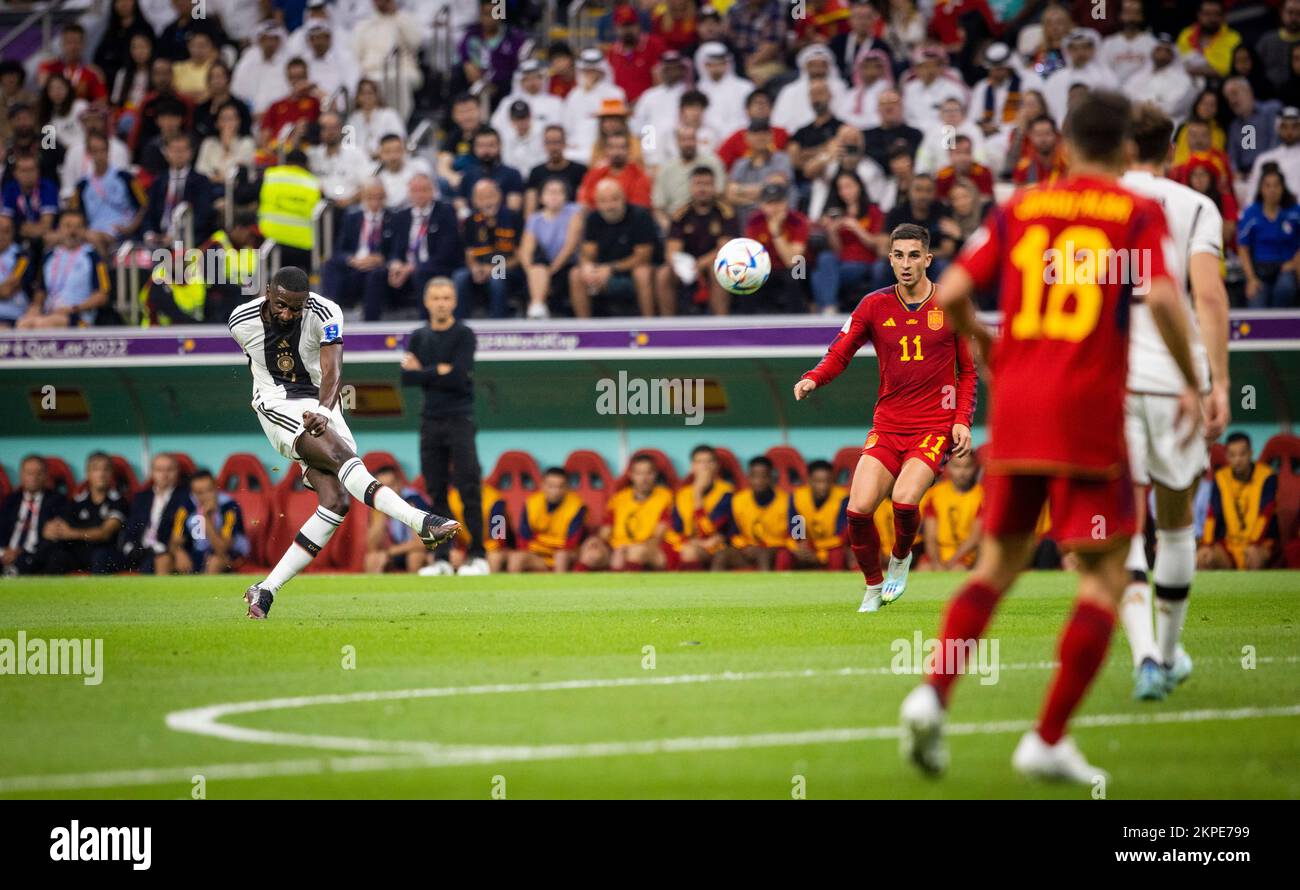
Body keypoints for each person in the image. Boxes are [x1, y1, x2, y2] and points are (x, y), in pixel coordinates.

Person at [898, 90, 1203, 783]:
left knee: (994, 568)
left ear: (1061, 146)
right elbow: (1158, 296)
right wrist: (1193, 382)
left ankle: (931, 694)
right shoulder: (1136, 208)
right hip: (1087, 416)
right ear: (1128, 151)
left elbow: (946, 295)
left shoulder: (1020, 208)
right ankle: (1048, 737)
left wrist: (983, 342)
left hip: (1017, 411)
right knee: (1101, 577)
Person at [230, 267, 462, 618]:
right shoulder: (240, 321)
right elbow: (259, 364)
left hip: (323, 402)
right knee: (341, 457)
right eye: (281, 306)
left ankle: (264, 590)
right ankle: (420, 522)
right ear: (266, 293)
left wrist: (324, 410)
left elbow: (333, 369)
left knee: (336, 501)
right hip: (276, 403)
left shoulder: (326, 312)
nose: (288, 314)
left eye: (296, 307)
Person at [795, 222, 976, 611]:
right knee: (857, 510)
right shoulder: (873, 305)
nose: (906, 264)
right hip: (888, 426)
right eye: (898, 256)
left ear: (928, 259)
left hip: (932, 426)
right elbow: (840, 352)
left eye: (914, 256)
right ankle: (873, 587)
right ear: (889, 259)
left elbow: (969, 371)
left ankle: (900, 557)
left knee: (905, 500)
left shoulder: (952, 303)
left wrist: (962, 419)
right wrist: (813, 377)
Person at [1119, 103, 1231, 701]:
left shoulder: (1094, 203)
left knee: (1117, 524)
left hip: (1110, 383)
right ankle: (1166, 652)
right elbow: (1209, 298)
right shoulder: (1195, 206)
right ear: (1172, 148)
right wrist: (1216, 380)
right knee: (1176, 516)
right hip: (1174, 382)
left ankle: (1143, 656)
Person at [399, 278, 490, 576]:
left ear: (454, 301)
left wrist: (425, 372)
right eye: (435, 297)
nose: (441, 302)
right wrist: (438, 371)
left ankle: (478, 555)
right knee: (435, 491)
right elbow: (406, 379)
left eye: (447, 297)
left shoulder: (464, 334)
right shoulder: (417, 336)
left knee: (468, 487)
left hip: (460, 418)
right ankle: (441, 559)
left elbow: (459, 376)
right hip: (430, 420)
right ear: (426, 301)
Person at [570, 178, 658, 317]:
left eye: (614, 199)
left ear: (624, 198)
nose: (610, 205)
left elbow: (643, 257)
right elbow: (588, 253)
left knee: (642, 273)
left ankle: (650, 325)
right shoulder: (593, 218)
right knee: (576, 274)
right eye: (603, 201)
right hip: (604, 271)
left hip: (632, 270)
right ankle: (585, 330)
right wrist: (588, 267)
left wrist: (611, 268)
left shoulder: (640, 216)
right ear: (597, 203)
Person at [659, 165, 739, 315]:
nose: (702, 189)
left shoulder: (726, 213)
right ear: (690, 187)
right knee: (664, 273)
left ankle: (721, 325)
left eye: (707, 184)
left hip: (714, 262)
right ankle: (667, 328)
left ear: (714, 187)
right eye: (698, 184)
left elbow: (724, 250)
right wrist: (683, 266)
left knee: (718, 270)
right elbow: (672, 250)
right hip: (686, 266)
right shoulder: (680, 214)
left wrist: (700, 264)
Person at [382, 174, 462, 321]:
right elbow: (395, 248)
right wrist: (395, 263)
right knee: (378, 274)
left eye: (423, 190)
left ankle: (426, 324)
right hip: (407, 267)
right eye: (415, 190)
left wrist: (412, 268)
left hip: (437, 266)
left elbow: (446, 251)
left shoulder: (445, 212)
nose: (419, 194)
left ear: (432, 191)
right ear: (409, 193)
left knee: (421, 273)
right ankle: (373, 324)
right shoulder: (402, 216)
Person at [577, 454, 673, 571]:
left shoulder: (665, 497)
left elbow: (658, 536)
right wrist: (596, 541)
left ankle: (623, 587)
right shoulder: (619, 498)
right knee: (590, 552)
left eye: (648, 473)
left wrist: (628, 548)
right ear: (631, 475)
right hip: (617, 547)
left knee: (635, 552)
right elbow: (606, 530)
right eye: (639, 473)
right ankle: (573, 588)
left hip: (651, 549)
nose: (644, 478)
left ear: (655, 475)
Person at [1198, 432, 1280, 570]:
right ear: (1227, 456)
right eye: (1232, 455)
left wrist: (1254, 544)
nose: (1238, 460)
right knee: (1203, 557)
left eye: (1242, 454)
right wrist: (1207, 545)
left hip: (1260, 544)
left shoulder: (1267, 476)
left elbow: (1265, 514)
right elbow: (1212, 514)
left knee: (1254, 558)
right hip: (1229, 545)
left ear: (1251, 453)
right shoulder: (1221, 478)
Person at [17, 210, 110, 329]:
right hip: (49, 313)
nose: (72, 231)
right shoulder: (49, 255)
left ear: (85, 230)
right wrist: (35, 307)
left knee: (43, 324)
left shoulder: (92, 256)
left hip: (78, 317)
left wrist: (74, 308)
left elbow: (102, 295)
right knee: (23, 323)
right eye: (67, 226)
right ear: (59, 229)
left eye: (78, 227)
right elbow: (41, 290)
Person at [44, 452, 127, 575]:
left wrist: (71, 533)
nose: (101, 474)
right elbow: (59, 524)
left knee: (100, 557)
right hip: (80, 553)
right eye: (95, 469)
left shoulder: (119, 502)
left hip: (106, 554)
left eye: (105, 469)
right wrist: (49, 530)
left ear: (111, 474)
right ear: (87, 473)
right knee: (56, 555)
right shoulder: (77, 501)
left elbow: (104, 533)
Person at [454, 178, 523, 319]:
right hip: (480, 267)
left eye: (490, 196)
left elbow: (521, 256)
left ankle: (498, 325)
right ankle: (460, 324)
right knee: (460, 277)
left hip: (508, 269)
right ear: (474, 201)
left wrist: (494, 269)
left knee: (496, 279)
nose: (487, 201)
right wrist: (475, 268)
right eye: (481, 198)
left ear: (499, 196)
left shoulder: (513, 217)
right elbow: (469, 253)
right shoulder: (470, 221)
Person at [321, 179, 390, 312]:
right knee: (330, 265)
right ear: (363, 198)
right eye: (371, 198)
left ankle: (371, 320)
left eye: (379, 198)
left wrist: (380, 258)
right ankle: (328, 313)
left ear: (385, 198)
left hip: (377, 267)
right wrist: (351, 259)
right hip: (355, 263)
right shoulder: (353, 218)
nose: (375, 202)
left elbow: (396, 249)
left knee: (376, 275)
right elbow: (339, 249)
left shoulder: (393, 218)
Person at [520, 176, 583, 319]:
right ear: (541, 198)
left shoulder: (574, 212)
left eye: (558, 192)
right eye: (549, 192)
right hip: (543, 266)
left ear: (565, 196)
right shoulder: (534, 218)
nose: (554, 196)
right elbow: (525, 250)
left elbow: (570, 246)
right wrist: (531, 272)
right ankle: (537, 307)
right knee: (536, 268)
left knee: (545, 272)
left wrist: (550, 273)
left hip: (567, 264)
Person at [662, 445, 735, 570]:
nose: (704, 466)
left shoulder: (726, 492)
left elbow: (710, 531)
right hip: (687, 544)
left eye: (709, 461)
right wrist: (689, 542)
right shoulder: (682, 494)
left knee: (690, 553)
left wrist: (698, 495)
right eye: (699, 462)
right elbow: (675, 529)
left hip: (716, 547)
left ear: (716, 466)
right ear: (692, 467)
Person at [742, 181, 810, 313]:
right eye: (769, 203)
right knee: (746, 276)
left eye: (778, 202)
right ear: (761, 205)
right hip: (765, 267)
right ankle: (747, 321)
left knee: (796, 272)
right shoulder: (755, 221)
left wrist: (776, 232)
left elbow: (792, 261)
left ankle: (797, 318)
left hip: (796, 267)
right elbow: (751, 255)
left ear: (786, 202)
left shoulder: (798, 220)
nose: (774, 208)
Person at [1238, 164, 1300, 308]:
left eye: (1276, 185)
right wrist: (1251, 279)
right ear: (1261, 188)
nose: (1272, 190)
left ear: (1283, 188)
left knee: (1285, 288)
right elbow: (1242, 247)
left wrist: (1295, 262)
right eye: (1268, 185)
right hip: (1259, 270)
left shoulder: (1294, 212)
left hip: (1286, 268)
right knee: (1256, 301)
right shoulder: (1251, 213)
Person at [167, 469, 249, 574]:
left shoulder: (229, 507)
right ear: (193, 493)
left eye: (210, 490)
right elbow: (174, 541)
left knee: (214, 561)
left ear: (216, 487)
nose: (207, 496)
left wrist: (207, 518)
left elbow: (222, 549)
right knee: (165, 559)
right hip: (199, 552)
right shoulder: (186, 507)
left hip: (231, 554)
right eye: (200, 493)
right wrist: (178, 552)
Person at [717, 456, 791, 570]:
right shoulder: (738, 500)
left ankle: (767, 587)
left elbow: (798, 533)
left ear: (772, 478)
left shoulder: (788, 501)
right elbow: (732, 532)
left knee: (763, 555)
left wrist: (785, 545)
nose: (759, 481)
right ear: (748, 478)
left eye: (764, 476)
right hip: (747, 549)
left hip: (776, 549)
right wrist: (744, 546)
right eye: (754, 476)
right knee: (721, 555)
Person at [120, 453, 188, 574]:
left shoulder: (185, 497)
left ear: (177, 472)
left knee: (153, 562)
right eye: (159, 470)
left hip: (163, 550)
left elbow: (184, 531)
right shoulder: (141, 497)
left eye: (170, 470)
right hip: (138, 550)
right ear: (152, 472)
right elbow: (130, 528)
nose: (164, 475)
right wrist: (129, 547)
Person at [510, 467, 587, 573]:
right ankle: (513, 589)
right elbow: (523, 539)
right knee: (515, 558)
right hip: (538, 555)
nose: (555, 491)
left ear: (567, 487)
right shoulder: (531, 503)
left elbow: (571, 543)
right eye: (551, 486)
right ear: (543, 485)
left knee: (561, 557)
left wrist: (537, 538)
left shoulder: (577, 506)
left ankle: (560, 589)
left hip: (564, 554)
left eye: (560, 486)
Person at [0, 456, 66, 576]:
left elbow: (53, 535)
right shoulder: (11, 500)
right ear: (21, 475)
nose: (33, 477)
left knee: (56, 555)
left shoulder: (57, 501)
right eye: (29, 473)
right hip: (7, 553)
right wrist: (3, 552)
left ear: (46, 476)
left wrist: (21, 552)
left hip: (35, 554)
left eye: (38, 473)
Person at [919, 450, 982, 571]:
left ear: (975, 468)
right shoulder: (935, 494)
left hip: (966, 556)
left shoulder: (981, 496)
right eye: (957, 466)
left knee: (958, 569)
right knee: (924, 568)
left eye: (967, 467)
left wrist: (952, 561)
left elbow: (975, 536)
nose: (962, 472)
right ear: (948, 467)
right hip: (938, 553)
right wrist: (936, 562)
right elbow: (930, 536)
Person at [363, 466, 432, 574]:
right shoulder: (379, 503)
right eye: (383, 488)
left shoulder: (413, 500)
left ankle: (415, 589)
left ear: (399, 484)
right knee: (372, 558)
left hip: (425, 551)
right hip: (399, 551)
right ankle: (375, 589)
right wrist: (380, 515)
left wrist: (390, 551)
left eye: (391, 486)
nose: (388, 492)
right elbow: (372, 546)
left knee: (415, 557)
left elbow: (421, 543)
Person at [788, 459, 849, 570]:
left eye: (827, 481)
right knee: (787, 553)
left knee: (837, 554)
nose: (823, 486)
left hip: (831, 547)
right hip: (808, 546)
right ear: (809, 481)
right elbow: (796, 531)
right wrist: (803, 547)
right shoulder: (797, 497)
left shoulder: (843, 498)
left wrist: (818, 554)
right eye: (818, 482)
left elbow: (841, 535)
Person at [525, 124, 587, 216]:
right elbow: (530, 210)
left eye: (557, 142)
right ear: (544, 145)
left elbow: (583, 205)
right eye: (549, 142)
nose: (553, 147)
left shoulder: (580, 170)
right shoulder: (536, 172)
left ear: (565, 143)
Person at [0, 215, 32, 327]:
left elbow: (7, 291)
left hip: (12, 316)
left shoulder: (22, 256)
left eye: (6, 231)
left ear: (13, 233)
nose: (1, 235)